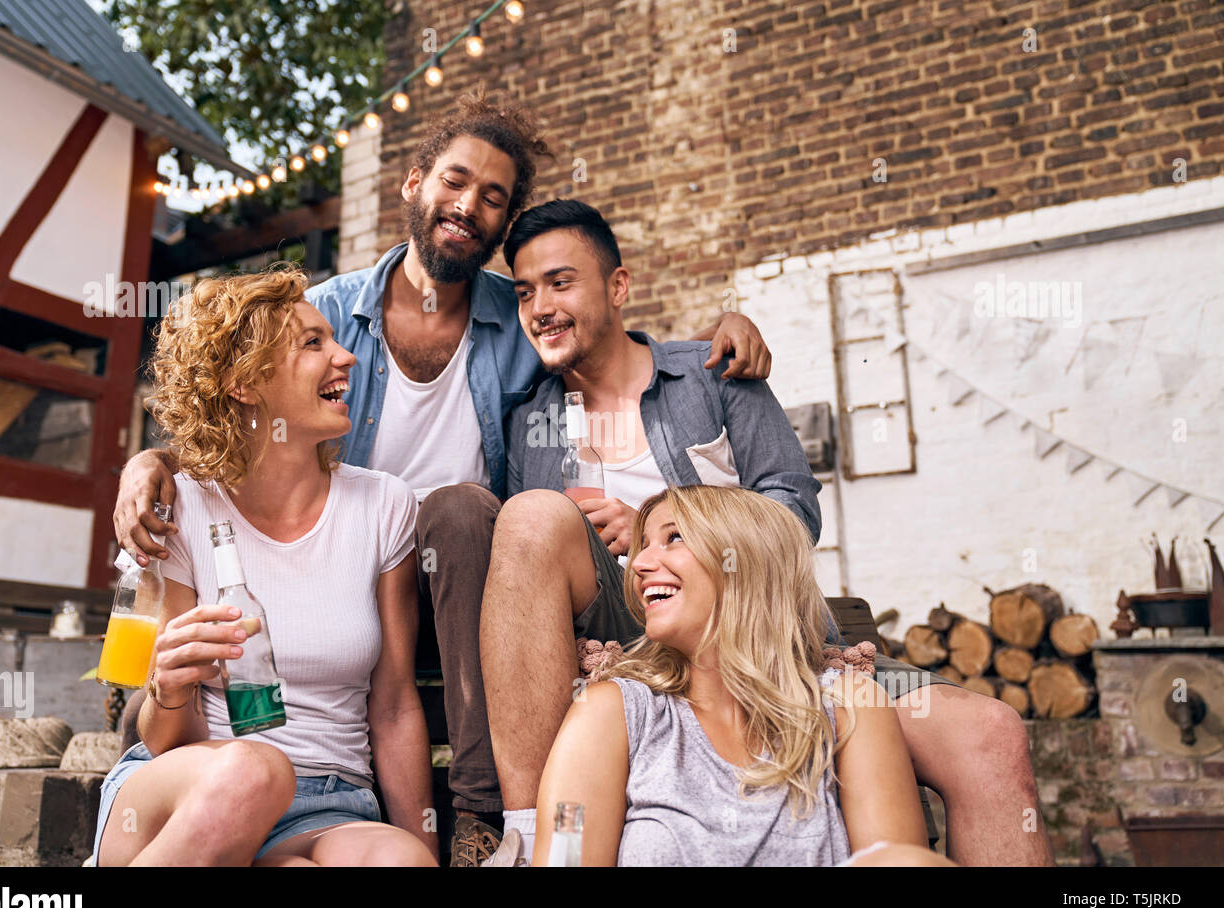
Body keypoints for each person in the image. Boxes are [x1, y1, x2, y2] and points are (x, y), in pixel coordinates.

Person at [113, 88, 776, 865]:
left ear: (501, 227)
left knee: (458, 510)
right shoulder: (326, 313)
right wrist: (152, 460)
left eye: (493, 199)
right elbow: (231, 404)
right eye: (455, 181)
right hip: (340, 579)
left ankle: (478, 814)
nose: (468, 206)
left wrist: (708, 342)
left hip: (470, 580)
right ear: (414, 183)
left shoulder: (521, 317)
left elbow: (604, 343)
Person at [478, 199, 1052, 866]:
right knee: (529, 516)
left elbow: (793, 512)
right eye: (524, 292)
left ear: (619, 285)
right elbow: (530, 571)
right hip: (632, 637)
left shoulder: (712, 372)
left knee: (989, 729)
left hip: (772, 638)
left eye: (560, 281)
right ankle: (524, 841)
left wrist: (660, 531)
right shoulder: (531, 423)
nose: (539, 305)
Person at [93, 268, 436, 866]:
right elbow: (163, 737)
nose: (346, 357)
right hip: (193, 789)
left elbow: (395, 702)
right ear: (244, 382)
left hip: (331, 806)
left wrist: (422, 842)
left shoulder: (384, 505)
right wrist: (169, 688)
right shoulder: (181, 506)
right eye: (313, 343)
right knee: (257, 770)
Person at [533, 485, 956, 866]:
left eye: (674, 537)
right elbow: (564, 860)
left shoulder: (850, 704)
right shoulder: (612, 711)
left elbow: (895, 860)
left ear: (745, 562)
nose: (640, 563)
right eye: (643, 546)